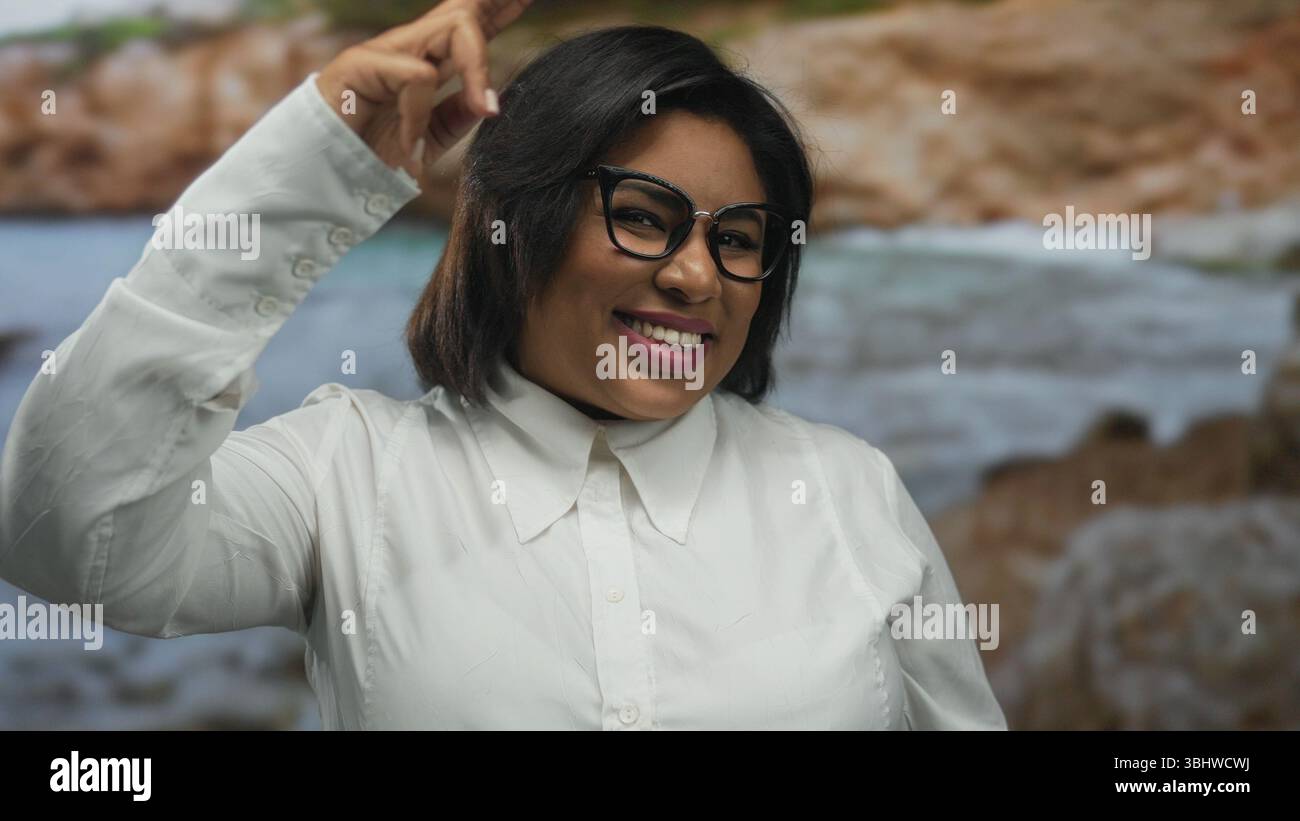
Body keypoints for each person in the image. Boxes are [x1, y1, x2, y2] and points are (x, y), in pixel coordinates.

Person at [0, 0, 1006, 730]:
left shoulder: (846, 488)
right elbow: (70, 543)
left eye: (739, 238)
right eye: (645, 217)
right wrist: (302, 177)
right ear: (514, 226)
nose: (698, 273)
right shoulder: (346, 473)